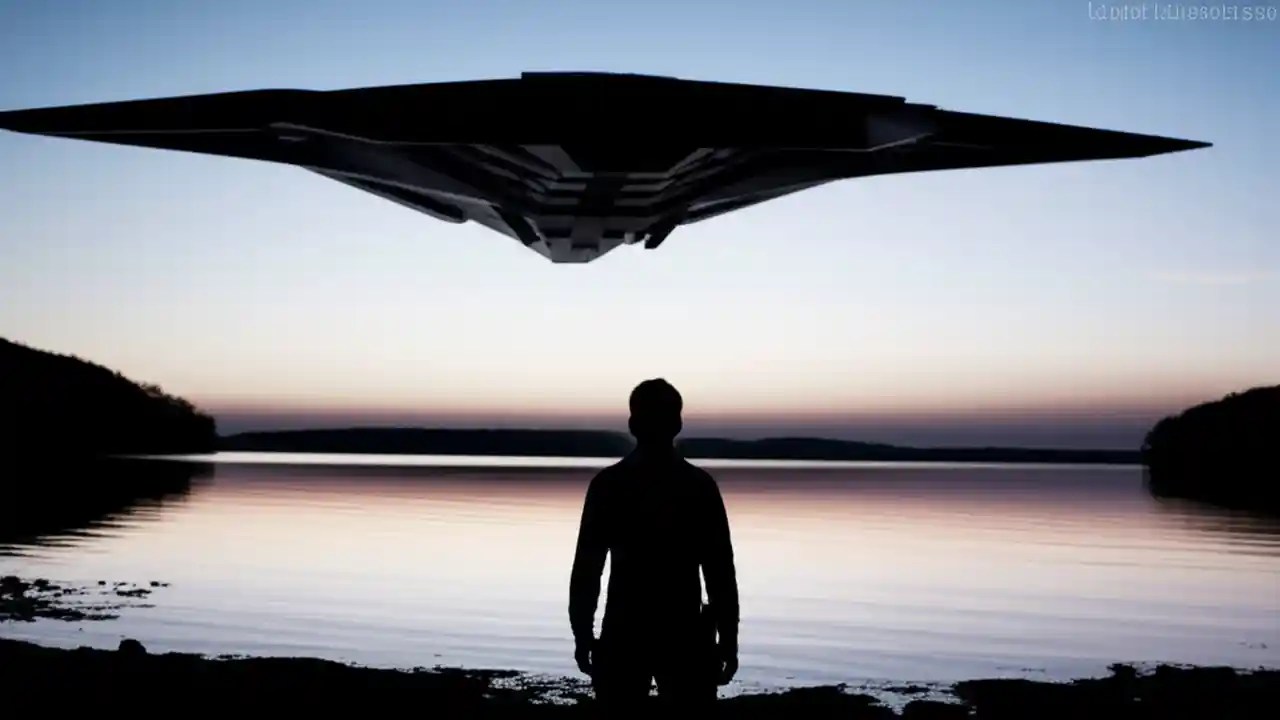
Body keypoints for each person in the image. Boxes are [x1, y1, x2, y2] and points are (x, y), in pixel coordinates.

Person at [569, 378, 740, 713]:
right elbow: (720, 573)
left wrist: (582, 633)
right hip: (683, 634)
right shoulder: (699, 486)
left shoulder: (608, 485)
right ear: (678, 423)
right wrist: (729, 639)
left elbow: (587, 570)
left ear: (632, 424)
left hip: (626, 630)